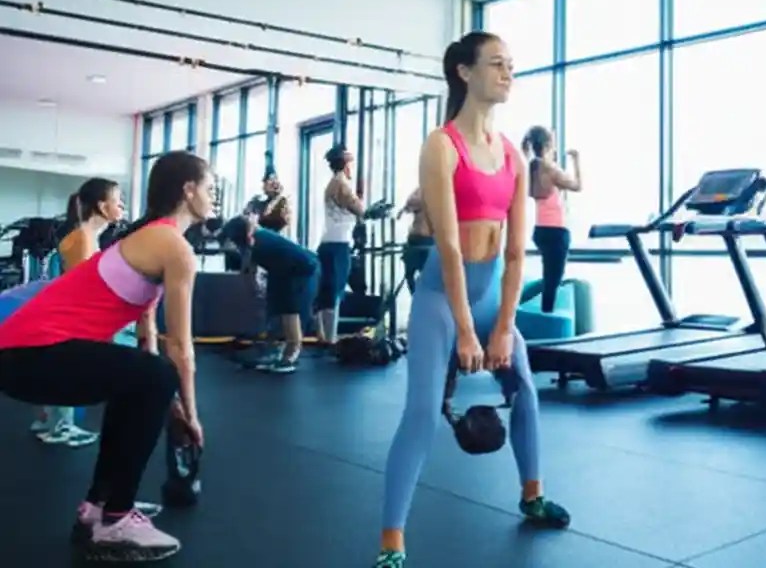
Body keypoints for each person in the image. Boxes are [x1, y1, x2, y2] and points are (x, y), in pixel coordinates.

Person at [374, 31, 570, 568]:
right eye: (497, 64)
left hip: (490, 296)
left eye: (512, 64)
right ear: (464, 72)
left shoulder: (512, 155)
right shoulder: (441, 145)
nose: (508, 73)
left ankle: (532, 495)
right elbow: (450, 246)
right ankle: (392, 543)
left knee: (525, 390)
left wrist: (502, 325)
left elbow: (514, 254)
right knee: (420, 414)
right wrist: (465, 329)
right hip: (442, 296)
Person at [0, 150, 213, 562]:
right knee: (152, 377)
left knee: (142, 379)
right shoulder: (174, 247)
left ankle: (100, 508)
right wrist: (192, 415)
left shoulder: (149, 237)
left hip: (22, 354)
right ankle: (116, 517)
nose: (214, 197)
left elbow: (148, 335)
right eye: (210, 188)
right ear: (188, 191)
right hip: (26, 354)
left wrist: (172, 410)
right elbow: (180, 348)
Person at [29, 180, 127, 449]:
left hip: (64, 315)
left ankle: (49, 421)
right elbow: (83, 288)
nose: (122, 205)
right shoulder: (83, 238)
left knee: (61, 369)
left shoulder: (86, 235)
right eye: (118, 200)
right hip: (69, 318)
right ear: (101, 206)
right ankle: (58, 427)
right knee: (68, 370)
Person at [222, 212, 319, 373]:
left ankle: (290, 356)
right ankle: (273, 350)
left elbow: (249, 270)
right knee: (274, 306)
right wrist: (255, 288)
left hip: (300, 268)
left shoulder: (257, 242)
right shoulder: (254, 239)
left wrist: (254, 287)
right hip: (281, 269)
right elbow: (249, 270)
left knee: (289, 309)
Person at [521, 126, 581, 312]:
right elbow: (577, 186)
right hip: (557, 231)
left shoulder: (531, 168)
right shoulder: (550, 169)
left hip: (541, 230)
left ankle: (525, 306)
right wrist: (576, 160)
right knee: (554, 280)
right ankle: (546, 315)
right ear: (547, 145)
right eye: (552, 144)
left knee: (550, 279)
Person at [315, 145, 363, 345]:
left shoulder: (332, 183)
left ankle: (323, 335)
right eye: (351, 163)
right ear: (345, 165)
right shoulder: (341, 184)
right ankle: (330, 338)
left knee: (326, 290)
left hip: (329, 242)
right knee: (335, 290)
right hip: (338, 244)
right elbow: (359, 209)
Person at [397, 188, 434, 293]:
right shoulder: (422, 189)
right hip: (416, 239)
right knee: (409, 274)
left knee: (428, 275)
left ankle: (424, 300)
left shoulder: (438, 191)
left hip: (427, 240)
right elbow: (411, 202)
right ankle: (416, 298)